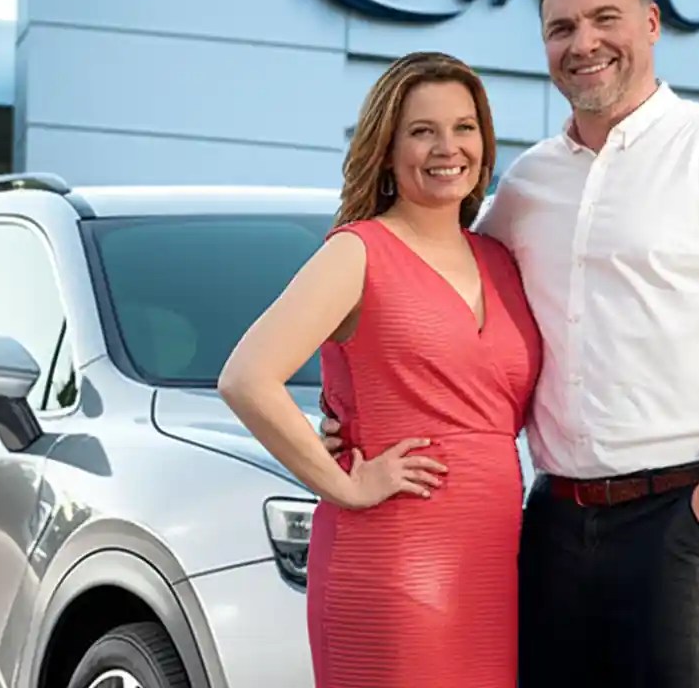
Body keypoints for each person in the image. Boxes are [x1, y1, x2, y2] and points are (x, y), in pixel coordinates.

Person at [322, 0, 699, 684]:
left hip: (679, 517)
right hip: (550, 526)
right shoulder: (526, 185)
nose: (583, 43)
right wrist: (350, 412)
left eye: (604, 19)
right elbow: (432, 302)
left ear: (651, 24)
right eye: (561, 28)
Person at [219, 51, 542, 688]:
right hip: (394, 560)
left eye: (464, 127)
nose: (448, 147)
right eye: (422, 131)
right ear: (387, 150)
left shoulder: (501, 259)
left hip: (491, 565)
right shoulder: (359, 252)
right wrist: (344, 487)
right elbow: (247, 377)